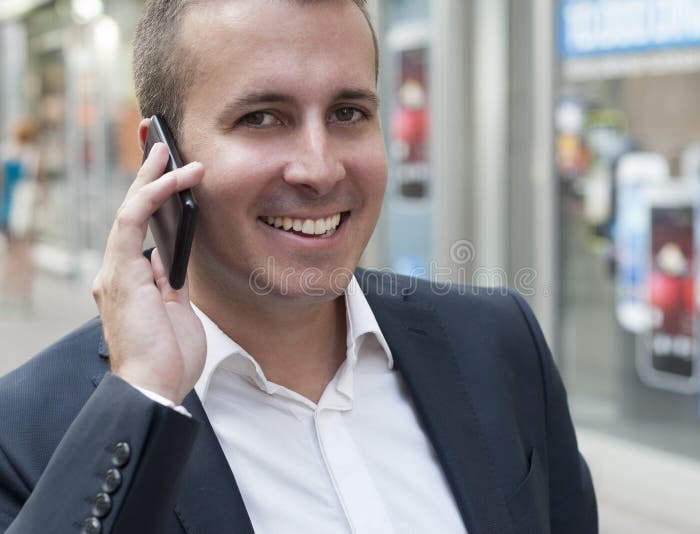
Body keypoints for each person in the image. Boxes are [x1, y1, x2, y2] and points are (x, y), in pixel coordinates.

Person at [0, 1, 597, 533]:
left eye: (348, 113)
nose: (320, 168)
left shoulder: (497, 341)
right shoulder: (31, 431)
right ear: (161, 155)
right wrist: (142, 397)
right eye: (262, 117)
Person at [0, 117, 42, 310]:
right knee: (25, 251)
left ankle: (9, 289)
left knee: (11, 251)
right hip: (24, 209)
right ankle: (25, 292)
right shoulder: (32, 154)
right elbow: (39, 181)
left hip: (7, 207)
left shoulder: (6, 151)